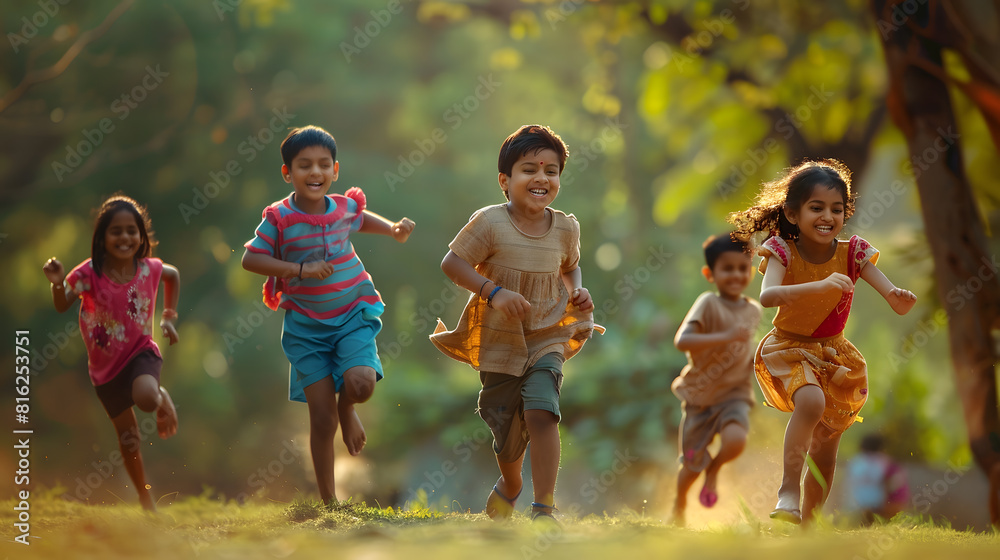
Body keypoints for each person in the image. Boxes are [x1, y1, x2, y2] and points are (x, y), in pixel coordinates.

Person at [728, 159, 917, 525]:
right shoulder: (782, 250)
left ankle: (809, 524)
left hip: (835, 356)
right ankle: (787, 492)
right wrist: (822, 285)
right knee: (811, 402)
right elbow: (768, 297)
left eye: (837, 209)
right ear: (793, 213)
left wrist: (896, 297)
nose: (827, 216)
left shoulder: (855, 253)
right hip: (789, 348)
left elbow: (889, 291)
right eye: (816, 207)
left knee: (827, 445)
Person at [430, 124, 600, 522]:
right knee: (504, 429)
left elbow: (570, 268)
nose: (541, 177)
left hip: (548, 332)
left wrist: (577, 290)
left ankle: (544, 507)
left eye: (551, 170)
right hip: (499, 339)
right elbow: (451, 263)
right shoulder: (490, 222)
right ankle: (510, 483)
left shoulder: (565, 227)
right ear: (505, 181)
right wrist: (494, 292)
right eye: (529, 169)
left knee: (543, 410)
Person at [241, 125, 414, 504]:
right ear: (288, 173)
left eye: (323, 165)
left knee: (362, 384)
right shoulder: (280, 218)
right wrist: (298, 271)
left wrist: (393, 230)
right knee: (321, 421)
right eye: (304, 166)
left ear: (335, 170)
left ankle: (348, 407)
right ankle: (329, 503)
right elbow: (250, 258)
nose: (315, 173)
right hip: (306, 329)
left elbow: (361, 218)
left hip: (352, 311)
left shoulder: (342, 206)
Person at [42, 195, 180, 511]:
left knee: (145, 397)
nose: (124, 237)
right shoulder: (89, 274)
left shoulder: (148, 269)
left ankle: (160, 395)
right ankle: (145, 499)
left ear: (141, 237)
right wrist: (55, 282)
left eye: (131, 230)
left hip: (140, 352)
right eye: (115, 231)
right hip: (104, 370)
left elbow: (172, 276)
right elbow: (63, 303)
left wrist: (168, 317)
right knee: (128, 438)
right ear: (102, 237)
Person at [670, 233, 763, 526]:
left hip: (735, 394)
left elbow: (745, 351)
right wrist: (725, 336)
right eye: (727, 268)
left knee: (736, 441)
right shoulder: (708, 302)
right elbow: (683, 340)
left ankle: (714, 470)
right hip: (700, 398)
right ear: (710, 274)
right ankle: (680, 503)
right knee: (691, 464)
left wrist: (760, 363)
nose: (736, 275)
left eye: (742, 268)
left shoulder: (753, 310)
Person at [846, 433, 909, 524]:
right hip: (879, 507)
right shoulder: (886, 462)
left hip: (855, 507)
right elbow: (896, 484)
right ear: (882, 448)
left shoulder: (856, 461)